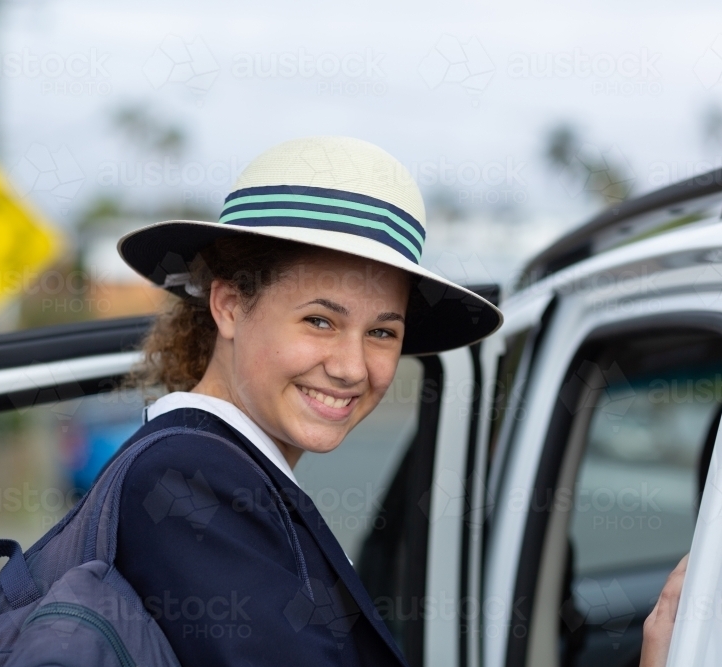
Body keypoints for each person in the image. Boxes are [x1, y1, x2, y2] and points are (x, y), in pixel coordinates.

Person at [112, 136, 502, 666]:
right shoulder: (190, 483)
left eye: (383, 333)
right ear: (228, 306)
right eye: (320, 321)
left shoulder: (226, 474)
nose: (351, 367)